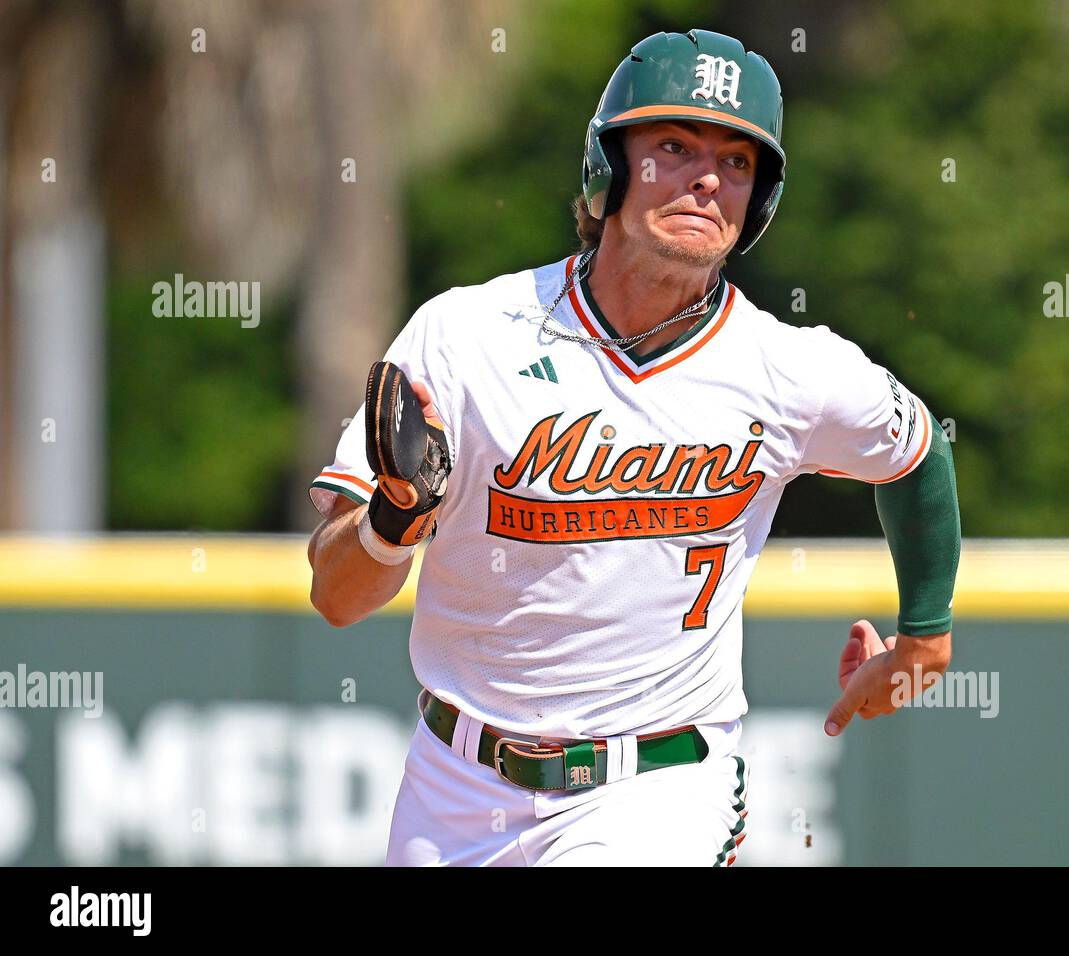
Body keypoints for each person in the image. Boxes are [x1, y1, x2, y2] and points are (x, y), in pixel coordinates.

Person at [306, 28, 960, 866]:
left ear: (757, 202)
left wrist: (925, 637)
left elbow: (915, 452)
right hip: (453, 789)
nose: (706, 178)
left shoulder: (791, 369)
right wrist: (393, 525)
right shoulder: (465, 337)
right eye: (675, 145)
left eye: (737, 162)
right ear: (607, 167)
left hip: (657, 786)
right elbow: (336, 596)